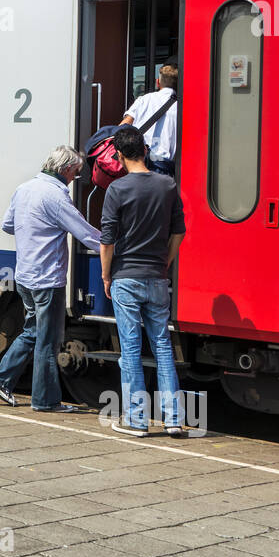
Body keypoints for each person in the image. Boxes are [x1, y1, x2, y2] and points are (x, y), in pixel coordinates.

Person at [0, 145, 101, 413]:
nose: (75, 178)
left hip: (25, 275)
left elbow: (7, 224)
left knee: (33, 331)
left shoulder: (24, 188)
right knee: (47, 341)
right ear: (65, 169)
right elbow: (86, 234)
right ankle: (45, 401)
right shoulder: (55, 196)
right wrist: (116, 248)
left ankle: (0, 377)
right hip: (47, 279)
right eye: (76, 172)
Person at [99, 125, 187, 437]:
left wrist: (106, 275)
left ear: (119, 156)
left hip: (126, 276)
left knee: (131, 349)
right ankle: (174, 419)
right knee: (163, 345)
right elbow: (179, 230)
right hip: (157, 277)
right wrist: (166, 260)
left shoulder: (117, 190)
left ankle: (136, 421)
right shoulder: (167, 185)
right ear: (145, 151)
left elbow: (107, 240)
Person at [120, 59, 178, 176]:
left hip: (139, 162)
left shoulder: (143, 100)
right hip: (165, 167)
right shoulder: (181, 106)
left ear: (158, 82)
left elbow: (123, 127)